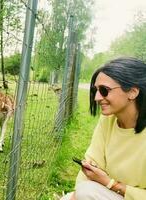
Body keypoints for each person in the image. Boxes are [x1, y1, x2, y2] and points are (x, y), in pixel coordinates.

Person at [61, 57, 146, 200]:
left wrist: (110, 183)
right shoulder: (108, 120)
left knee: (87, 192)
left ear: (132, 92)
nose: (97, 97)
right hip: (110, 194)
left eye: (104, 90)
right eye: (96, 90)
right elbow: (90, 167)